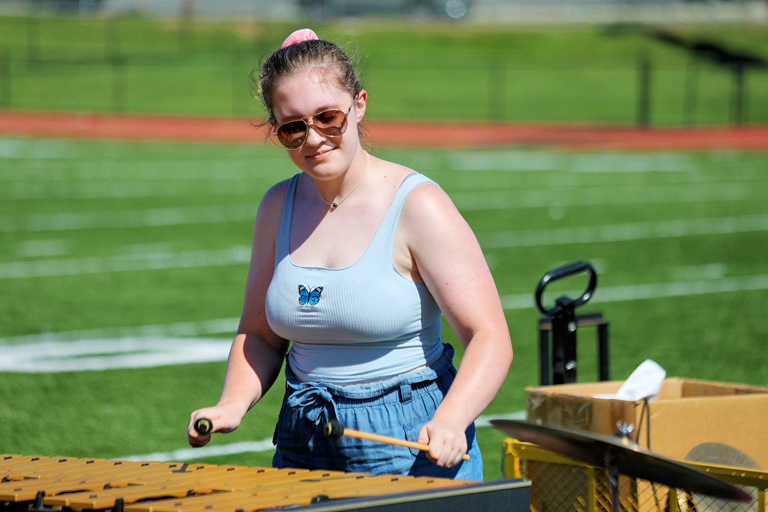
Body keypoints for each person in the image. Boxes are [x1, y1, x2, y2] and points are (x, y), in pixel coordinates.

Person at [188, 28, 513, 481]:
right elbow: (260, 335)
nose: (314, 138)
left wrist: (452, 418)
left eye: (328, 117)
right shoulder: (276, 206)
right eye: (293, 127)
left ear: (359, 105)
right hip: (303, 432)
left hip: (411, 437)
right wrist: (231, 403)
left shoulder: (418, 205)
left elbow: (489, 336)